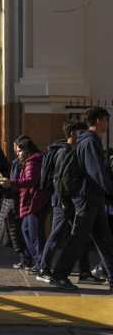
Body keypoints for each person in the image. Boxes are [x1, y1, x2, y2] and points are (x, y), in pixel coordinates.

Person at [50, 107, 113, 292]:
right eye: (107, 120)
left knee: (104, 240)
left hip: (93, 198)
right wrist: (110, 190)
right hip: (87, 198)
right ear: (99, 120)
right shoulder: (90, 142)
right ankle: (59, 275)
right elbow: (96, 172)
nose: (108, 124)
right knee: (78, 238)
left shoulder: (87, 140)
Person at [37, 121, 97, 283]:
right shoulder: (64, 152)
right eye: (81, 132)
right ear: (72, 133)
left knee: (79, 235)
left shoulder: (73, 150)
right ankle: (43, 267)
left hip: (70, 200)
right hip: (62, 200)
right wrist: (64, 201)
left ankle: (84, 272)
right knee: (57, 234)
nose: (83, 136)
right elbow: (60, 180)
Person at [0, 135, 49, 271]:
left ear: (26, 150)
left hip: (34, 202)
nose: (18, 153)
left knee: (34, 234)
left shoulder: (32, 161)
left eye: (20, 150)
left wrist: (11, 183)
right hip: (30, 202)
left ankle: (42, 264)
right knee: (26, 231)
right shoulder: (29, 161)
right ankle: (38, 262)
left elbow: (30, 180)